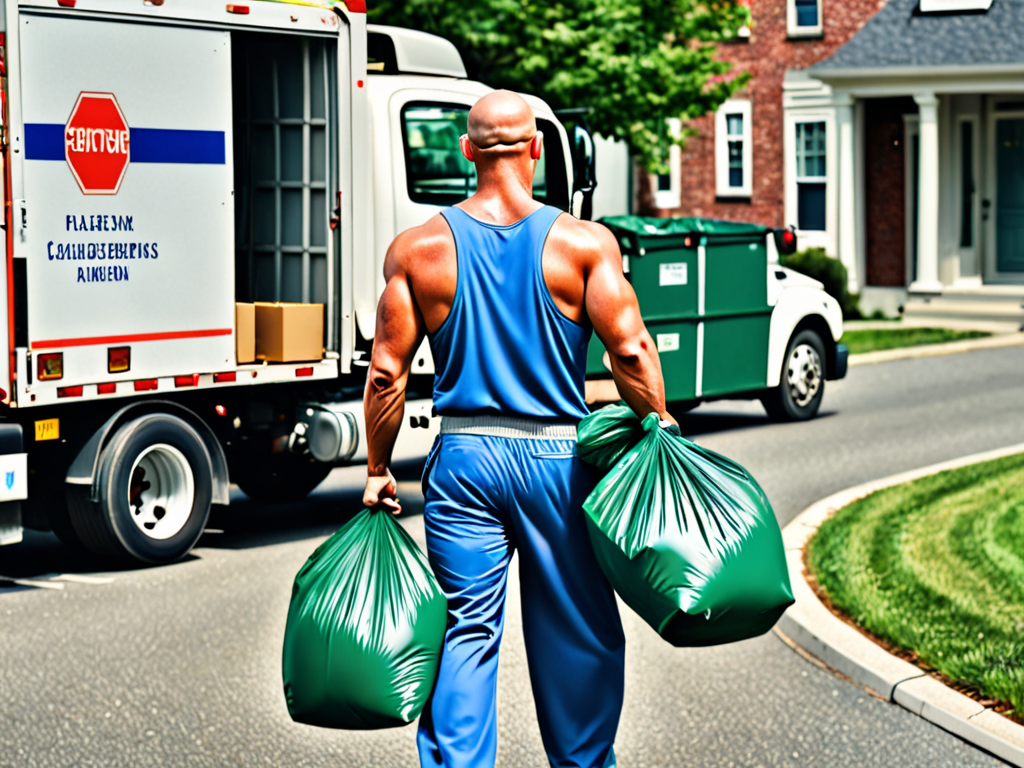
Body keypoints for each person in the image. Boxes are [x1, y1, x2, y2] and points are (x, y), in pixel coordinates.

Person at [362, 90, 672, 768]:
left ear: (465, 152)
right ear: (537, 148)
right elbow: (631, 352)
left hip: (463, 461)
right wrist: (661, 425)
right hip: (559, 462)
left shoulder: (417, 250)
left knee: (463, 630)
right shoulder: (585, 245)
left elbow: (386, 374)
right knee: (575, 628)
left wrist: (378, 470)